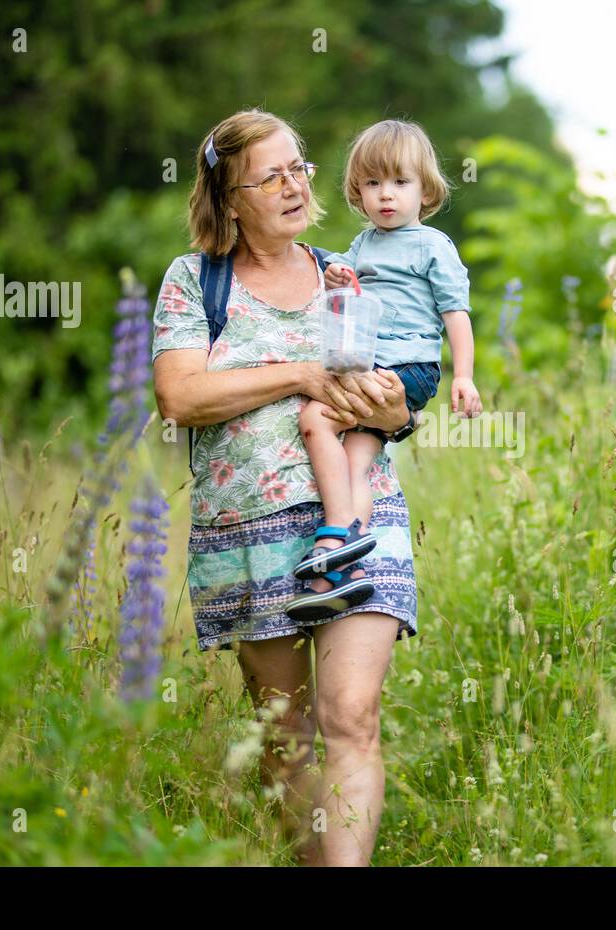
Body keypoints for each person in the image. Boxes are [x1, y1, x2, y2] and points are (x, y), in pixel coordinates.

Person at [151, 108, 417, 867]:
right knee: (285, 734)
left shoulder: (352, 269)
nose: (293, 184)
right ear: (230, 197)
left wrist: (393, 402)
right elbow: (181, 398)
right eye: (269, 176)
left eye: (298, 166)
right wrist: (301, 374)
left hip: (358, 520)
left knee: (351, 714)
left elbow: (400, 400)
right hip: (247, 534)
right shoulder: (194, 282)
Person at [289, 119, 481, 623]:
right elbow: (345, 293)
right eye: (373, 184)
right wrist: (338, 277)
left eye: (400, 182)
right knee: (358, 458)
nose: (386, 196)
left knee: (315, 419)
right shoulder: (362, 244)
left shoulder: (431, 245)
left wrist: (462, 375)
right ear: (358, 192)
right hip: (367, 362)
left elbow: (455, 315)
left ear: (426, 189)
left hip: (408, 368)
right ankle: (346, 567)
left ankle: (334, 530)